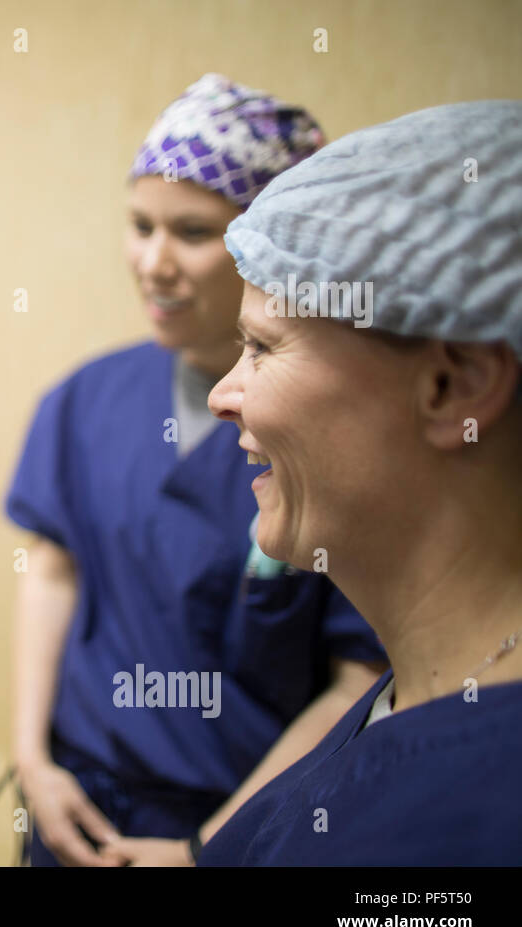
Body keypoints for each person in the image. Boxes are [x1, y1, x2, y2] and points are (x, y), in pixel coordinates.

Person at [7, 74, 389, 868]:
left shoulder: (333, 439)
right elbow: (51, 574)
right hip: (69, 800)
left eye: (193, 231)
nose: (154, 263)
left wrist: (203, 852)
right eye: (139, 226)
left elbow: (359, 685)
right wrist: (33, 764)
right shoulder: (85, 399)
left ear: (269, 242)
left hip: (237, 823)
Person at [199, 99, 522, 865]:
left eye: (263, 347)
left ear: (454, 386)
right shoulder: (428, 696)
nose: (221, 394)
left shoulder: (483, 814)